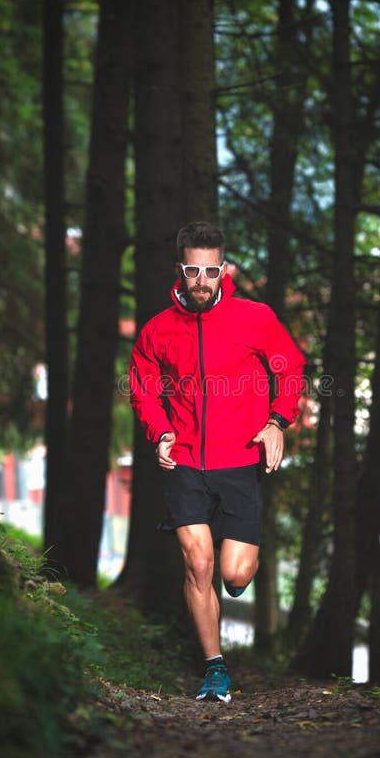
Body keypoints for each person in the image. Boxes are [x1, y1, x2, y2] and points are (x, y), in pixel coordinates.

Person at [129, 222, 305, 702]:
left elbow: (290, 368)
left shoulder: (256, 318)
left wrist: (277, 422)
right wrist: (160, 432)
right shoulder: (158, 331)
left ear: (223, 269)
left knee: (234, 574)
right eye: (193, 270)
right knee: (198, 564)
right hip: (184, 462)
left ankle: (238, 575)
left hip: (239, 459)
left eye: (211, 270)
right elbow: (144, 391)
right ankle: (215, 668)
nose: (202, 280)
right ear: (180, 270)